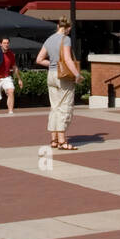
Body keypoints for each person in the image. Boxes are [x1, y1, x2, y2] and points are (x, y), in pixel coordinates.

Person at [37, 18, 81, 150]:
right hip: (63, 77)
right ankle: (62, 141)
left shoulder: (49, 39)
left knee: (55, 107)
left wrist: (52, 64)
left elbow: (39, 59)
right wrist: (77, 74)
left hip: (51, 75)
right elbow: (67, 59)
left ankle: (54, 140)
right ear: (67, 28)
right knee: (65, 107)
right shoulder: (65, 39)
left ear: (58, 26)